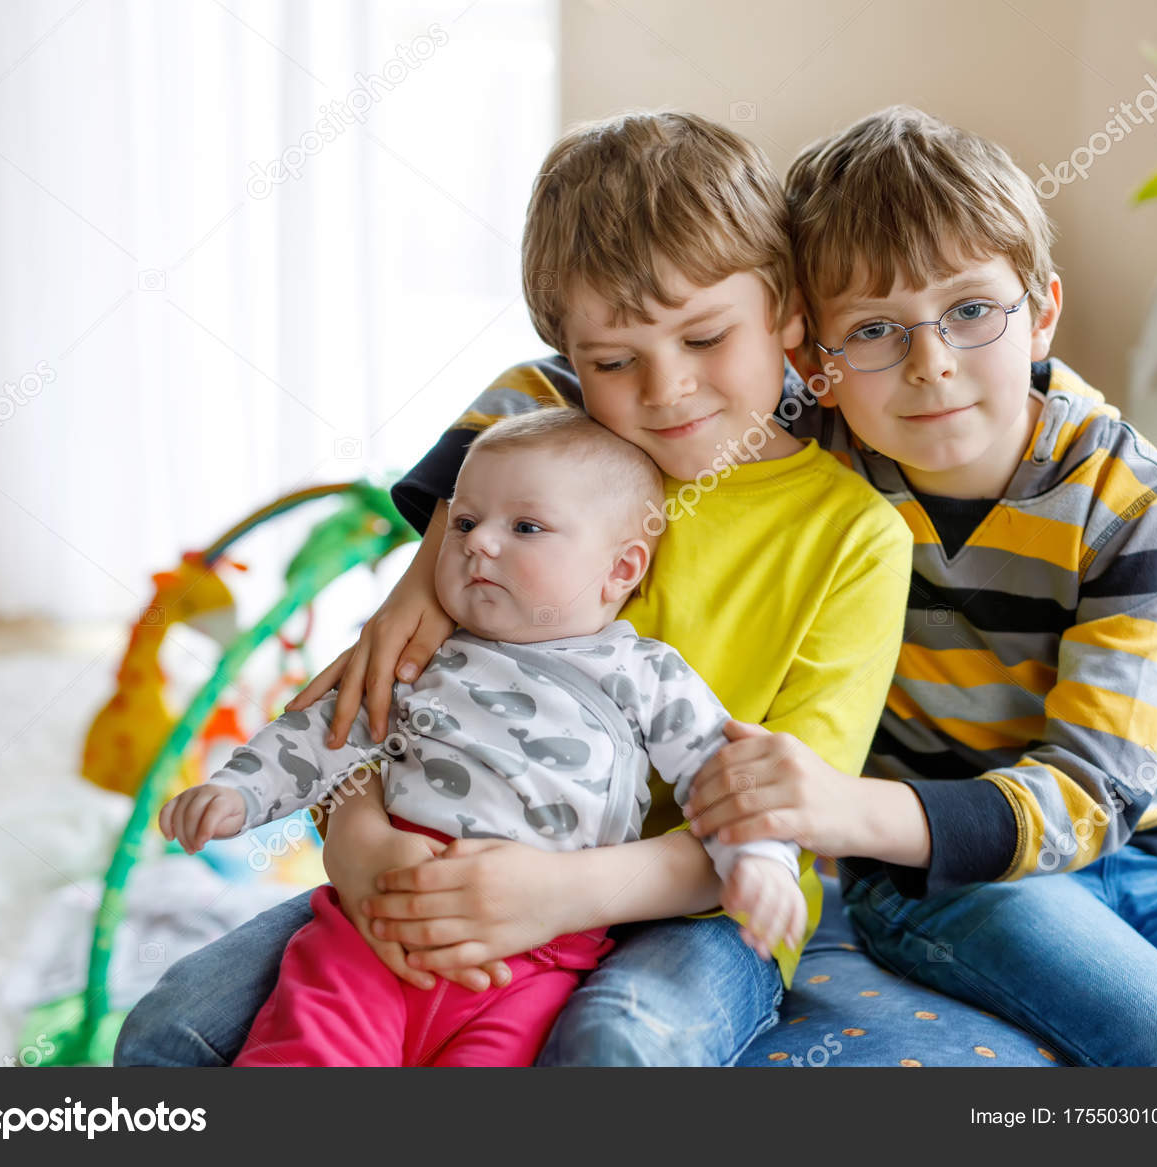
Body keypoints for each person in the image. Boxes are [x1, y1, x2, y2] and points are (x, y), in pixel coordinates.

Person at [114, 110, 914, 1068]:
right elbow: (369, 714)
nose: (666, 388)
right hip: (442, 859)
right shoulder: (523, 471)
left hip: (693, 904)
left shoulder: (854, 537)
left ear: (785, 312)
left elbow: (785, 810)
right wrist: (361, 844)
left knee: (616, 1044)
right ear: (570, 360)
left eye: (706, 337)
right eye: (613, 361)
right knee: (171, 1031)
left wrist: (557, 895)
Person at [682, 106, 1157, 1066]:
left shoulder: (1128, 500)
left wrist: (839, 807)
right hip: (934, 866)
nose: (931, 364)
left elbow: (1099, 785)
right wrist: (457, 500)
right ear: (814, 362)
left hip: (1137, 846)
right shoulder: (818, 446)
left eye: (972, 310)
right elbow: (593, 371)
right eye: (874, 329)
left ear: (1043, 312)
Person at [158, 409, 805, 1066]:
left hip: (532, 958)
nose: (478, 543)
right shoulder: (427, 658)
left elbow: (728, 773)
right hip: (374, 929)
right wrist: (237, 790)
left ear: (620, 569)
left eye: (525, 527)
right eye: (464, 522)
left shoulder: (644, 674)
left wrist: (760, 859)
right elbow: (325, 731)